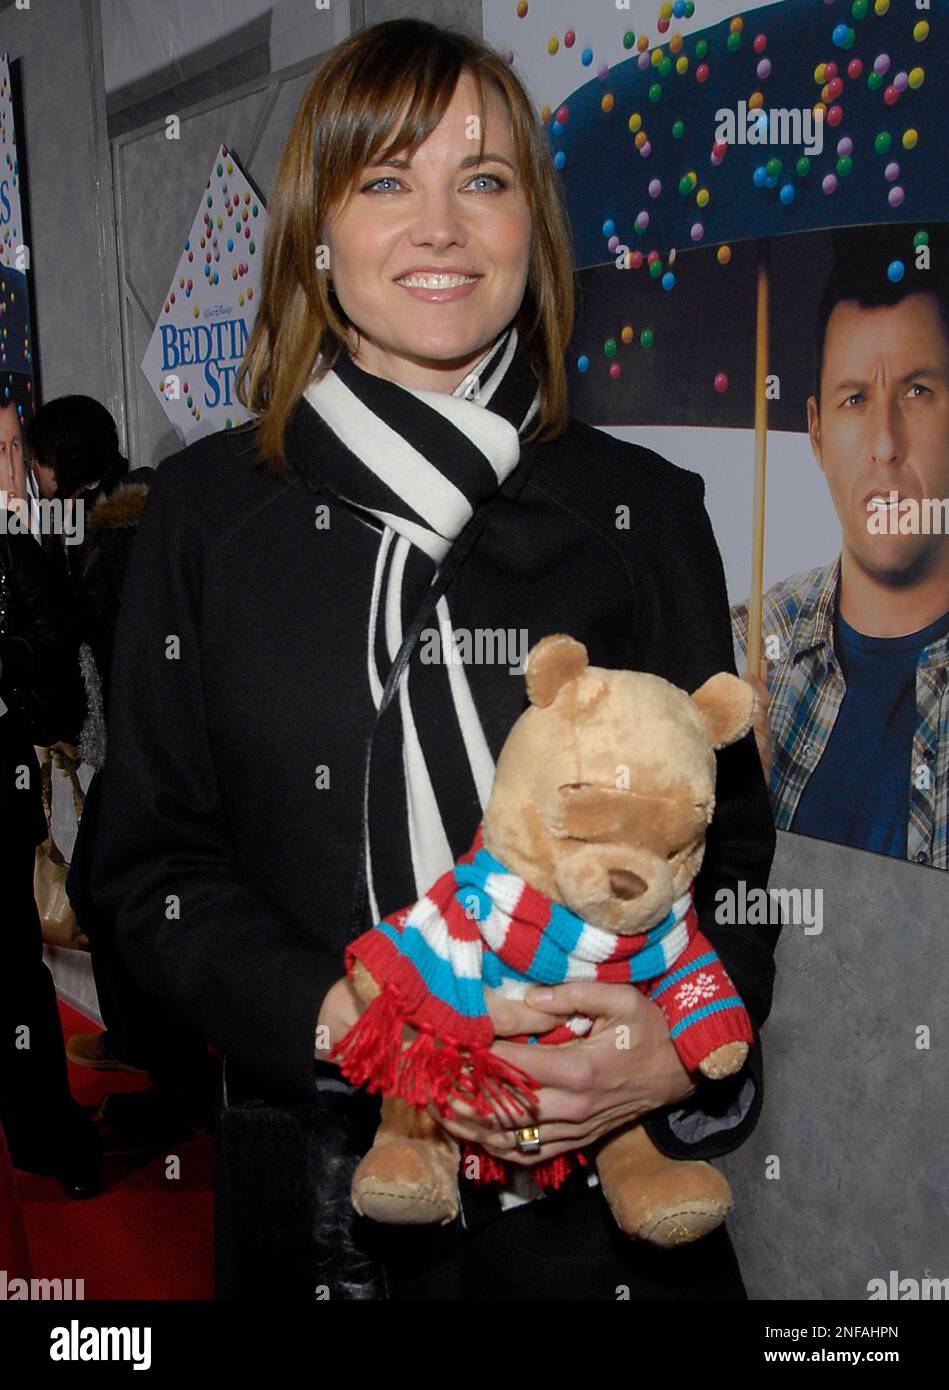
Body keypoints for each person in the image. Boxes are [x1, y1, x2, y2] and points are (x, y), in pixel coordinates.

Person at [92, 18, 777, 1298]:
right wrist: (342, 1017)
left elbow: (730, 857)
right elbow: (147, 869)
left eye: (483, 179)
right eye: (385, 181)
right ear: (318, 232)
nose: (440, 227)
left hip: (604, 1238)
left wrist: (668, 1056)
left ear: (533, 231)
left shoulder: (641, 511)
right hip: (327, 1200)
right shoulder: (205, 519)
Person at [27, 396, 217, 1144]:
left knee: (127, 904)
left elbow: (125, 657)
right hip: (142, 753)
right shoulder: (106, 514)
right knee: (100, 893)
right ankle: (149, 1053)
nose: (30, 474)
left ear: (61, 460)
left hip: (154, 757)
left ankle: (175, 1080)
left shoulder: (117, 531)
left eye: (33, 456)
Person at [733, 231, 949, 870]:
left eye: (918, 390)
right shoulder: (744, 651)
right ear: (817, 432)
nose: (885, 442)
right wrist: (722, 811)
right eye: (855, 400)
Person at [0, 399, 100, 1198]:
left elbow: (56, 692)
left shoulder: (19, 554)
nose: (12, 468)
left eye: (12, 447)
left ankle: (49, 1141)